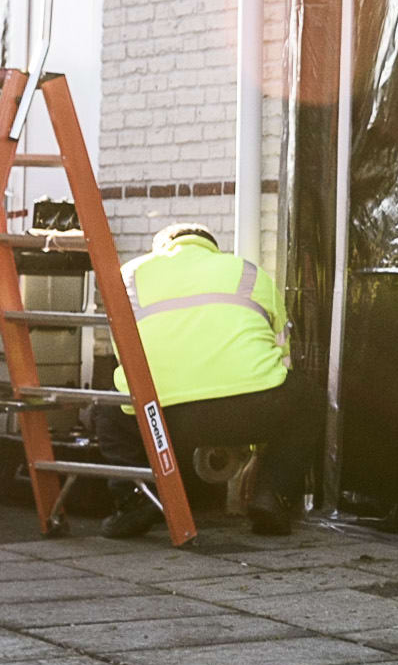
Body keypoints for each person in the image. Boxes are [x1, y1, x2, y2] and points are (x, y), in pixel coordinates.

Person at [93, 225, 321, 538]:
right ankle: (272, 497)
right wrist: (257, 450)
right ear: (211, 247)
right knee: (307, 399)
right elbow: (282, 356)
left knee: (108, 408)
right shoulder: (248, 272)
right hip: (250, 410)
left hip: (161, 418)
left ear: (161, 247)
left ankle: (136, 498)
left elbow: (125, 355)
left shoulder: (130, 275)